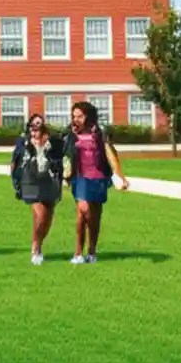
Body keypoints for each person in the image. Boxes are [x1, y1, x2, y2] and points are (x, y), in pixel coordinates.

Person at [63, 101, 129, 265]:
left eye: (79, 116)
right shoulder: (70, 134)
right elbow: (64, 155)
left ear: (88, 116)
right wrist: (64, 175)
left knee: (94, 217)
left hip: (99, 178)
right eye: (74, 116)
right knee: (83, 211)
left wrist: (121, 177)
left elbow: (111, 156)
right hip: (80, 178)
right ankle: (78, 252)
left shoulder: (99, 134)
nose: (76, 119)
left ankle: (91, 251)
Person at [11, 114, 63, 265]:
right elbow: (15, 161)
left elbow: (62, 158)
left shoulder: (53, 142)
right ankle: (36, 247)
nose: (34, 131)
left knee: (48, 217)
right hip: (30, 180)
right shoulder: (24, 142)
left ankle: (39, 243)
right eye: (32, 127)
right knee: (40, 215)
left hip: (49, 180)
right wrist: (15, 181)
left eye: (38, 127)